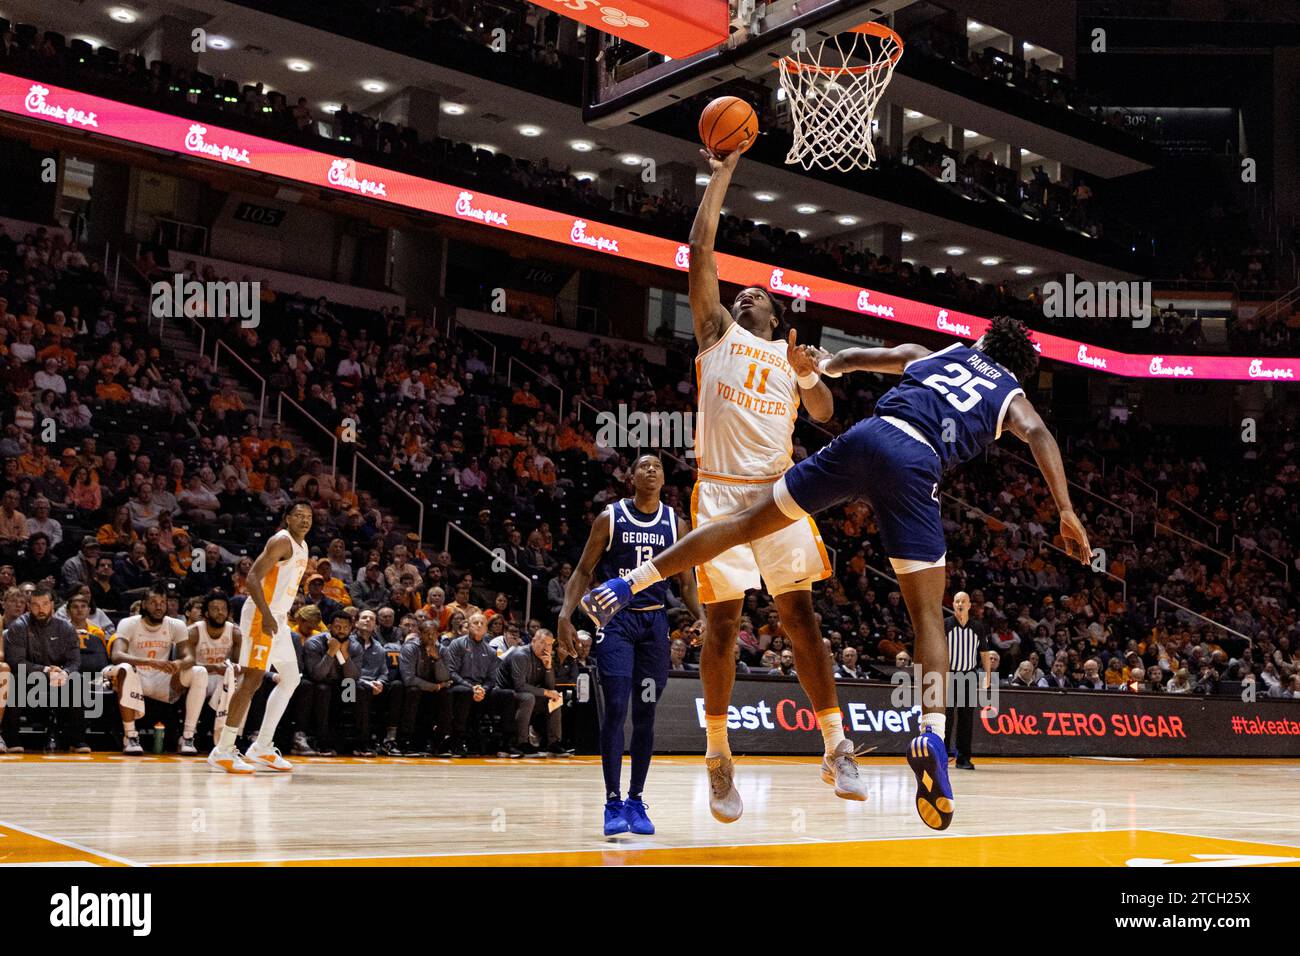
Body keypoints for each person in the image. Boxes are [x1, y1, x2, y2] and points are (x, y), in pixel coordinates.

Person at [585, 316, 1091, 830]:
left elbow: (848, 361)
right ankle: (932, 733)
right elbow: (1039, 434)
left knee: (741, 525)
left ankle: (631, 581)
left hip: (867, 437)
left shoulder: (931, 352)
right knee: (928, 619)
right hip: (917, 464)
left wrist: (813, 370)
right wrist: (1066, 510)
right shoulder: (1010, 392)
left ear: (982, 340)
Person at [590, 139, 866, 824]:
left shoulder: (790, 355)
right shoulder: (715, 334)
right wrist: (722, 175)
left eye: (760, 295)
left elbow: (829, 414)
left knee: (802, 618)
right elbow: (701, 251)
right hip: (719, 490)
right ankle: (718, 754)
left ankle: (835, 744)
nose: (747, 295)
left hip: (780, 492)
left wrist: (809, 373)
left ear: (775, 316)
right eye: (742, 293)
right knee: (722, 625)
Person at [558, 454, 703, 835]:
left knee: (646, 712)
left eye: (657, 466)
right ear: (632, 476)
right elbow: (583, 571)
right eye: (644, 466)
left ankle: (637, 800)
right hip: (616, 622)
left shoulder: (676, 522)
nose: (651, 470)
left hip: (655, 623)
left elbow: (686, 584)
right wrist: (564, 615)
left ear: (664, 477)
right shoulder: (610, 517)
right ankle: (612, 802)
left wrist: (701, 616)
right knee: (617, 706)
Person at [210, 501, 312, 773]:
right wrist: (266, 615)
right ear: (286, 518)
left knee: (290, 678)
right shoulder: (281, 540)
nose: (304, 520)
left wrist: (279, 614)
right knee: (252, 680)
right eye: (298, 515)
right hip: (260, 616)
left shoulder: (303, 546)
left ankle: (262, 746)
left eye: (309, 516)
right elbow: (253, 578)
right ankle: (223, 750)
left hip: (277, 618)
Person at [109, 586, 192, 753]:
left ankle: (188, 737)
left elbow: (190, 657)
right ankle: (130, 736)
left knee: (199, 672)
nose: (159, 606)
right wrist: (150, 661)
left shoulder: (176, 625)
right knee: (125, 668)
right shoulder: (128, 623)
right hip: (135, 676)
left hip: (162, 678)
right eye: (154, 602)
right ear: (144, 605)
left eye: (163, 603)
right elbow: (116, 655)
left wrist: (178, 663)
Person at [177, 592, 240, 753]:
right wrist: (212, 668)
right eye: (215, 609)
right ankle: (188, 736)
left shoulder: (235, 632)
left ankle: (228, 739)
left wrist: (229, 669)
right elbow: (187, 661)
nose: (220, 612)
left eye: (223, 609)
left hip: (220, 680)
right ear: (206, 613)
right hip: (194, 677)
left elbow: (238, 664)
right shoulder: (194, 631)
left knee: (237, 678)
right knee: (200, 673)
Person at [495, 629, 567, 758]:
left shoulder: (545, 657)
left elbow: (550, 687)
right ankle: (521, 742)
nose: (546, 647)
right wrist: (546, 692)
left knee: (555, 698)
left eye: (549, 644)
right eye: (543, 643)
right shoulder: (520, 655)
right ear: (533, 641)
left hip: (525, 694)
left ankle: (553, 743)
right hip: (504, 694)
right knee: (528, 698)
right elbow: (519, 686)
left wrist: (549, 668)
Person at [944, 591, 991, 770]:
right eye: (957, 601)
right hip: (949, 676)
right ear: (953, 604)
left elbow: (984, 653)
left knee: (966, 720)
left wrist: (987, 675)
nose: (960, 604)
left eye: (963, 601)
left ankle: (963, 759)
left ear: (970, 605)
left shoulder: (977, 627)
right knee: (946, 719)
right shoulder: (946, 625)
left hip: (969, 676)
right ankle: (943, 757)